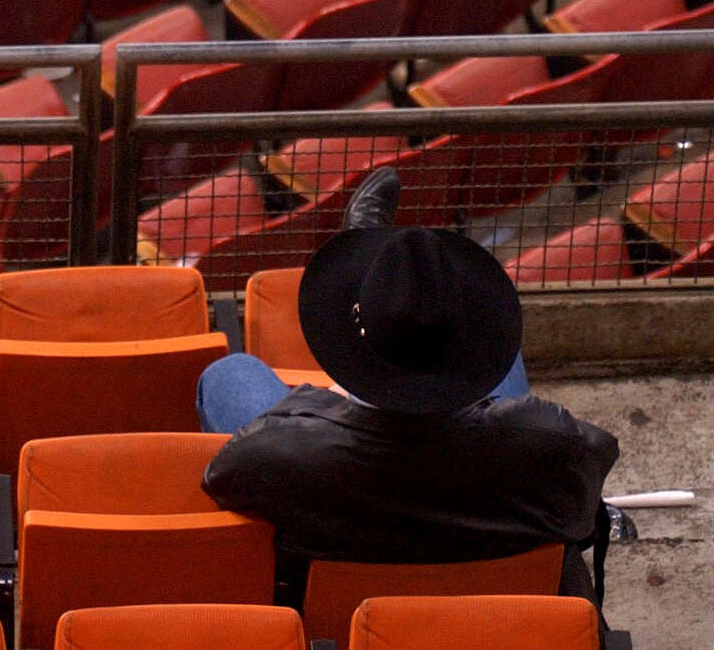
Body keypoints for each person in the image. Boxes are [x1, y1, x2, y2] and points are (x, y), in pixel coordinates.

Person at [199, 168, 619, 622]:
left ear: (353, 352)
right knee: (507, 361)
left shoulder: (270, 453)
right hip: (495, 623)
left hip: (341, 621)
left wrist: (329, 401)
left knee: (231, 373)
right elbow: (585, 492)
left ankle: (369, 256)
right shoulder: (552, 442)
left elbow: (219, 479)